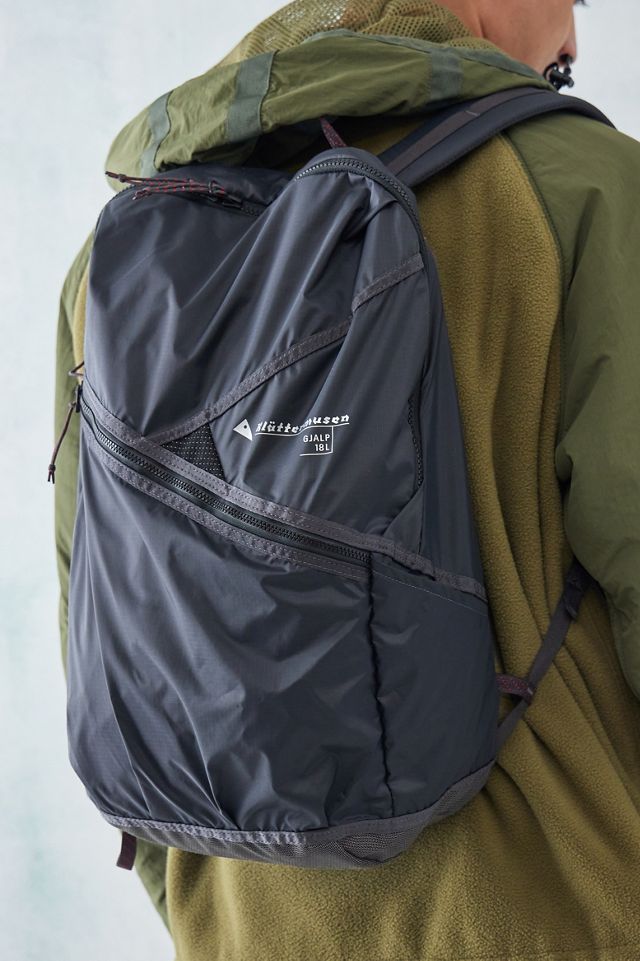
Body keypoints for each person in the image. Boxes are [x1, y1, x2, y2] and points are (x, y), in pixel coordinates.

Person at [53, 1, 640, 958]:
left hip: (247, 932)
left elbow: (99, 628)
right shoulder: (586, 187)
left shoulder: (111, 261)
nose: (575, 38)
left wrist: (212, 910)